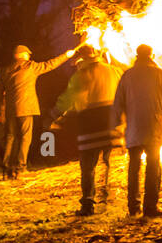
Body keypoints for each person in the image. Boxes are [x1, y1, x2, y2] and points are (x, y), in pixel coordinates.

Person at [49, 45, 125, 216]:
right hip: (112, 122)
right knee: (107, 162)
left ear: (82, 59)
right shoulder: (114, 71)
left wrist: (54, 113)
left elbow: (70, 98)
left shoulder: (80, 75)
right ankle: (107, 195)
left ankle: (88, 203)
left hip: (90, 123)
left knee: (88, 166)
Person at [113, 44, 162, 218]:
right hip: (153, 127)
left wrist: (117, 125)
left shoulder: (127, 75)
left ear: (137, 55)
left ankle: (133, 207)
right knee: (153, 165)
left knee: (134, 167)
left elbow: (118, 102)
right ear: (151, 55)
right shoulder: (159, 73)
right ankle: (150, 207)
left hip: (133, 128)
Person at [0, 44, 77, 180]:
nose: (29, 56)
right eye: (28, 54)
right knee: (25, 138)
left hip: (11, 110)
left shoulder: (5, 71)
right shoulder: (30, 66)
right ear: (23, 55)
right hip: (26, 108)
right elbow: (50, 64)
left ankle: (6, 169)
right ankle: (21, 168)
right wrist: (66, 55)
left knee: (10, 137)